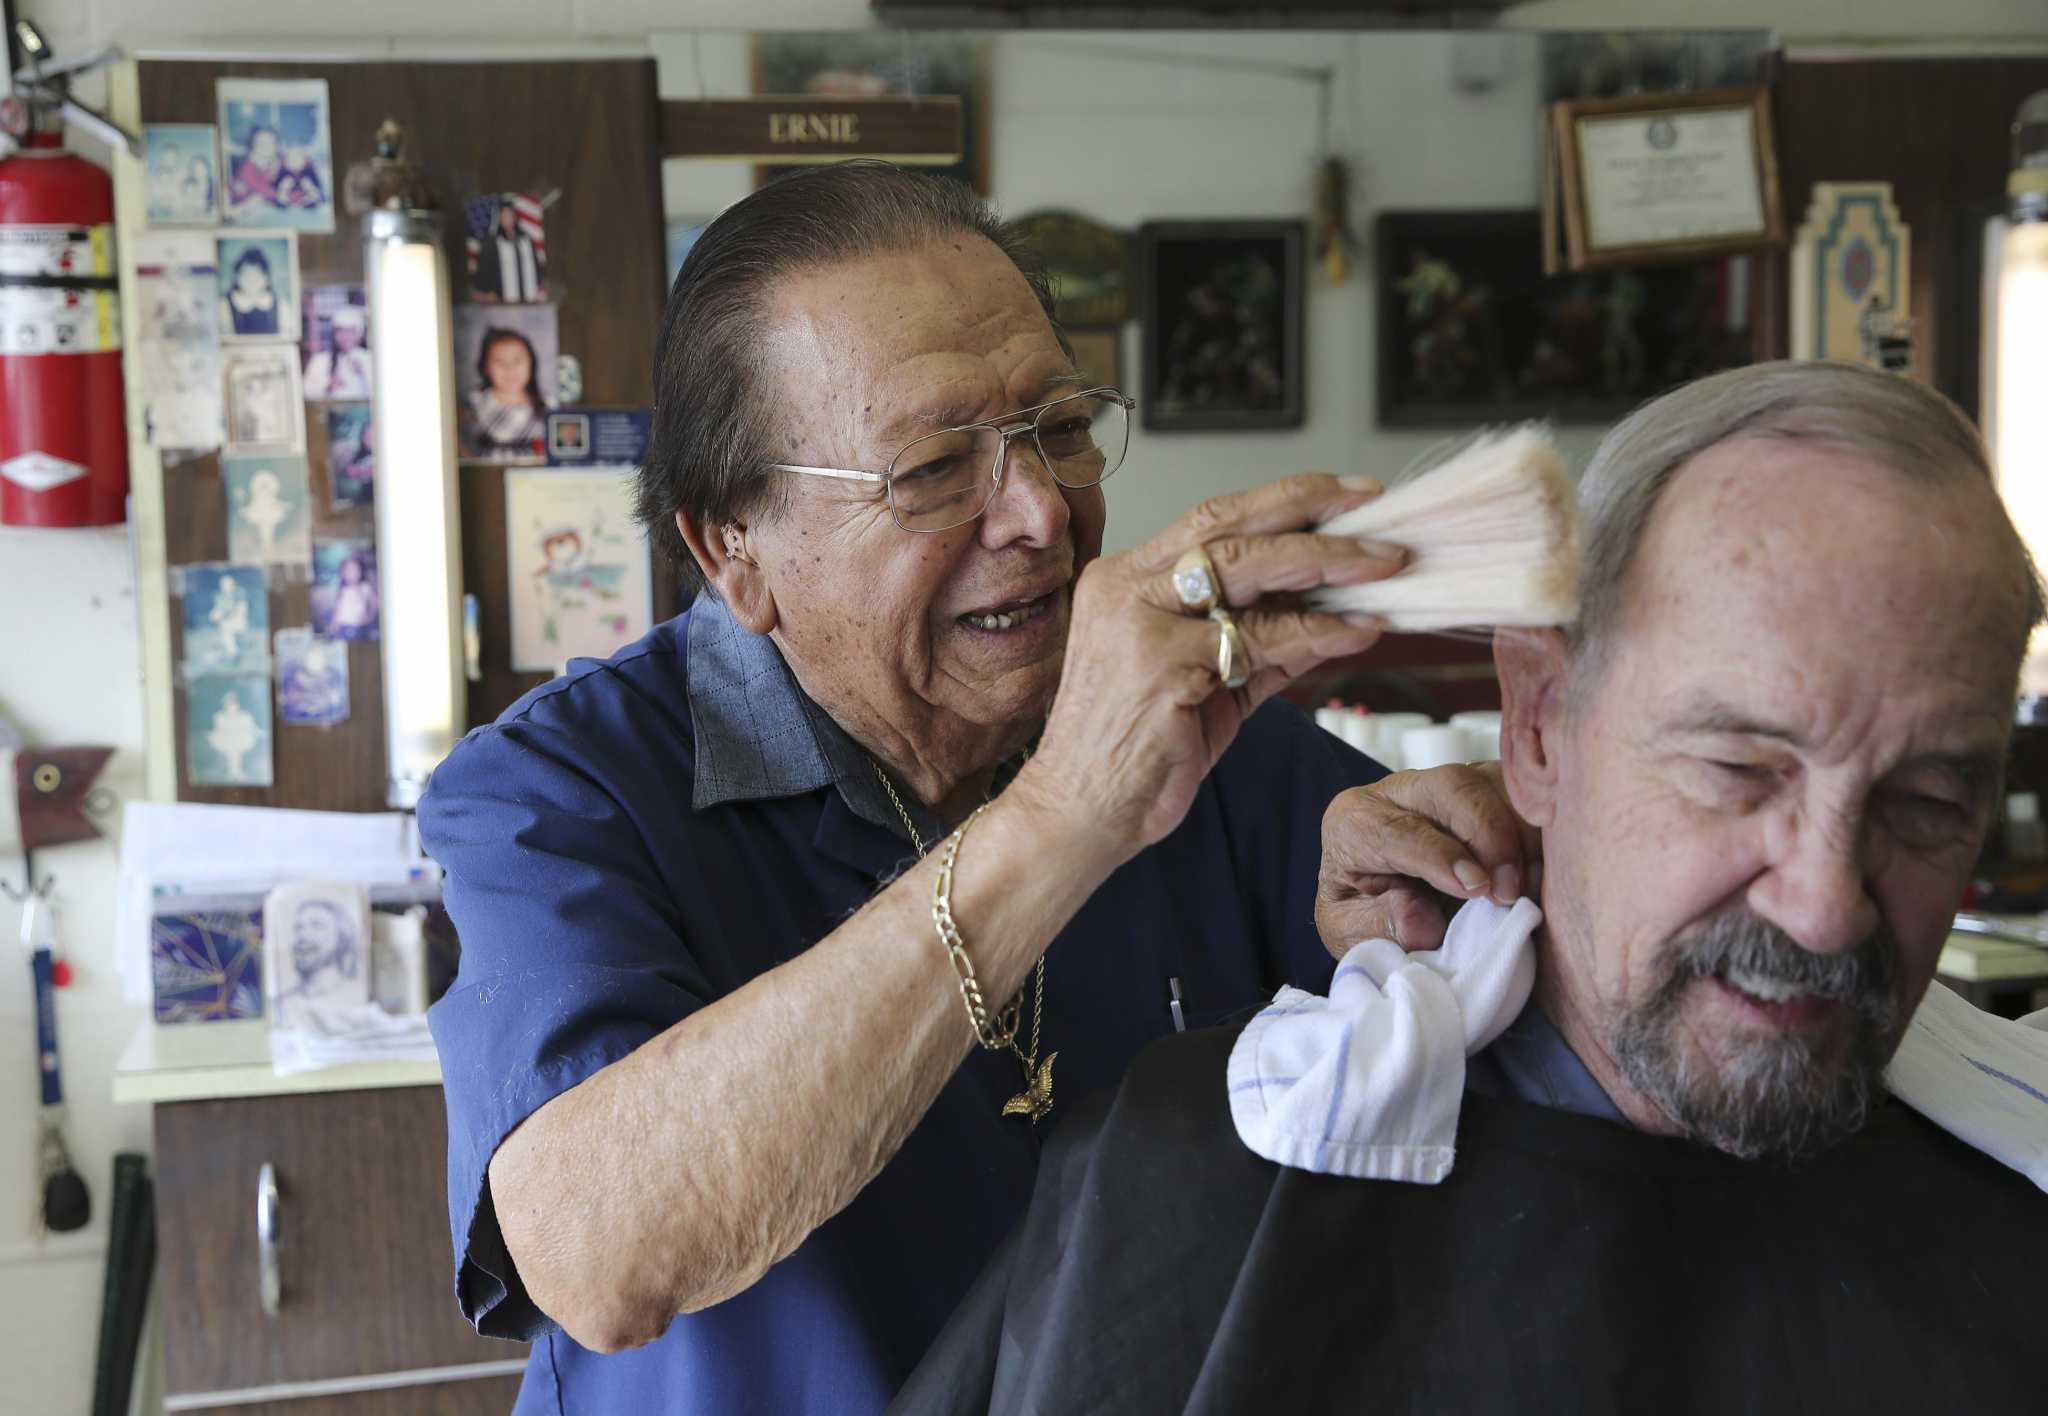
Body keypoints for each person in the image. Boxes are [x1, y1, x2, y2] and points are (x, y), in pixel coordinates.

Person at [417, 161, 1482, 1414]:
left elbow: (1455, 983)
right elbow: (595, 1257)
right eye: (932, 469)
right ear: (732, 549)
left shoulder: (1202, 720)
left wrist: (1424, 904)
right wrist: (1060, 821)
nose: (1037, 510)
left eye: (1060, 429)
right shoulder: (562, 792)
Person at [892, 361, 2048, 1415]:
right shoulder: (1200, 1185)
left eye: (1927, 805)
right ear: (1537, 727)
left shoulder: (2011, 1199)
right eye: (1736, 771)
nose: (1823, 906)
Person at [461, 327, 548, 457]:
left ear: (531, 363)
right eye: (499, 362)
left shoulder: (547, 404)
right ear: (485, 367)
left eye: (517, 361)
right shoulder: (476, 402)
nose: (509, 368)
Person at [472, 197, 547, 303]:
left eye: (510, 215)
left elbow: (536, 267)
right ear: (499, 218)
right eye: (504, 216)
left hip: (528, 299)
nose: (507, 219)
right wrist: (487, 291)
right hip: (501, 301)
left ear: (515, 217)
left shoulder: (525, 240)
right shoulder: (491, 243)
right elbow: (484, 271)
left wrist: (539, 286)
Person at [304, 305, 372, 400]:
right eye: (340, 331)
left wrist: (363, 373)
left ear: (359, 334)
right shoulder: (320, 360)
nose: (345, 336)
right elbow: (306, 392)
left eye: (350, 331)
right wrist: (327, 385)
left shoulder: (368, 358)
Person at [223, 246, 281, 338]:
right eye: (246, 275)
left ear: (266, 278)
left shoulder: (280, 304)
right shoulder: (224, 304)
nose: (251, 281)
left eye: (256, 275)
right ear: (237, 277)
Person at [228, 123, 282, 211]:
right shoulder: (247, 167)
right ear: (253, 146)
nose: (266, 146)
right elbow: (269, 193)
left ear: (277, 146)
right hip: (241, 210)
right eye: (261, 143)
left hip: (263, 210)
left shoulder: (274, 164)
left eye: (270, 142)